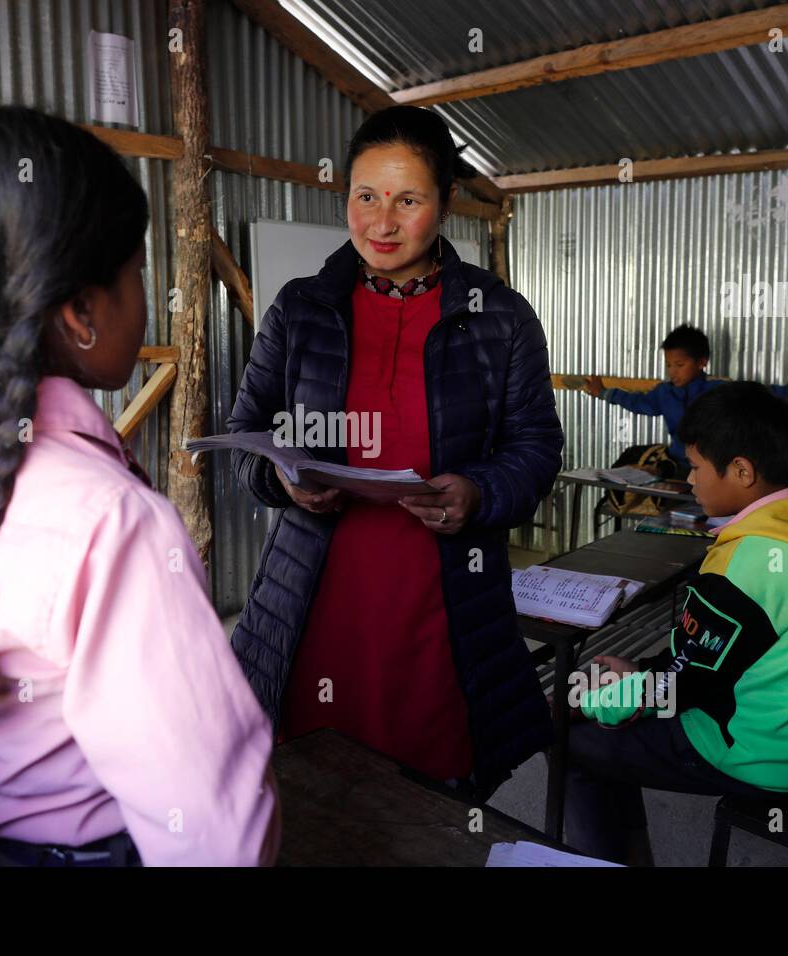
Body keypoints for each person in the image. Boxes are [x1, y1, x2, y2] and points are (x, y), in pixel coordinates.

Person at [0, 107, 278, 867]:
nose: (146, 290)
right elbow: (218, 836)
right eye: (137, 271)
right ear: (83, 312)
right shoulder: (113, 522)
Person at [227, 105, 563, 794]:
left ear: (444, 203)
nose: (381, 222)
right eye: (365, 196)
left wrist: (480, 492)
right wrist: (282, 480)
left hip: (442, 604)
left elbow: (535, 447)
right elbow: (243, 441)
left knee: (431, 794)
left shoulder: (499, 317)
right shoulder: (299, 309)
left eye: (408, 200)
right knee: (311, 790)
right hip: (313, 599)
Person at [564, 383, 788, 865]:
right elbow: (708, 655)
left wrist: (598, 700)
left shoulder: (752, 562)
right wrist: (639, 671)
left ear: (742, 471)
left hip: (755, 755)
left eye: (698, 467)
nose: (691, 478)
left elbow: (687, 687)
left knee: (573, 739)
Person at [581, 324, 719, 478]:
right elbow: (638, 402)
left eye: (680, 365)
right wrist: (604, 393)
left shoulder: (717, 391)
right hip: (677, 464)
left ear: (702, 362)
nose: (672, 371)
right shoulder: (665, 393)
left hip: (711, 467)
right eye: (668, 365)